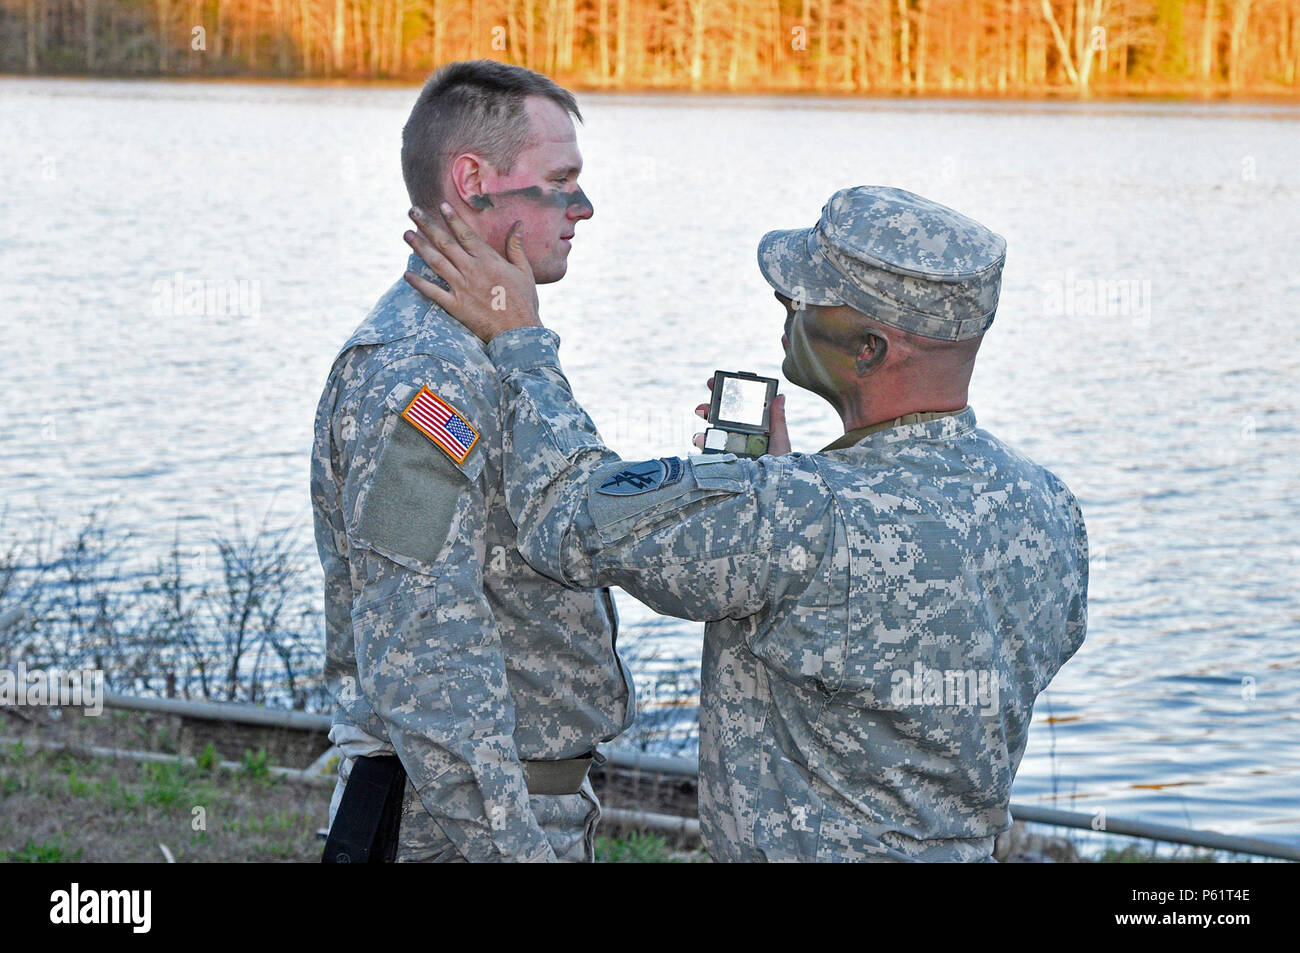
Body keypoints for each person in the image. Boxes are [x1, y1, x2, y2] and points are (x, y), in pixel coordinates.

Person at [402, 185, 1090, 862]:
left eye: (801, 297)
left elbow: (568, 514)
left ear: (873, 348)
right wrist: (781, 495)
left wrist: (521, 339)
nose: (784, 306)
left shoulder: (796, 513)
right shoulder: (1048, 506)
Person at [311, 60, 632, 863]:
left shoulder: (486, 348)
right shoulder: (424, 374)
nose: (582, 208)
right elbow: (423, 654)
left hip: (505, 810)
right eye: (560, 182)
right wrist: (514, 851)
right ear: (474, 181)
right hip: (458, 826)